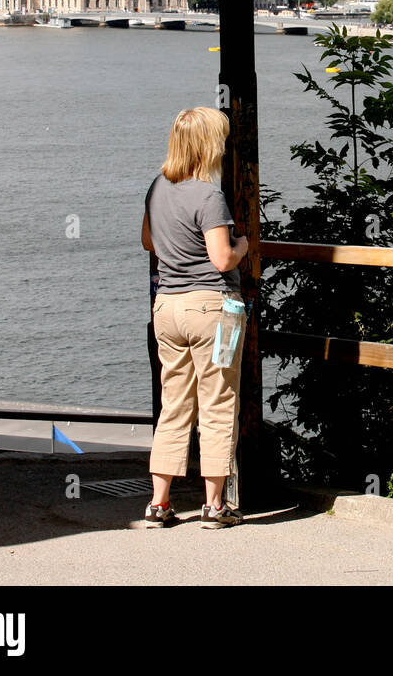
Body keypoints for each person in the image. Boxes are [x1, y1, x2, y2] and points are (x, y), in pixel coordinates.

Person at [140, 107, 249, 528]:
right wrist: (241, 246)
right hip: (213, 310)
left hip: (168, 307)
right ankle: (215, 504)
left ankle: (159, 502)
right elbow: (221, 258)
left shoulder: (158, 187)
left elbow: (148, 240)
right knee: (218, 402)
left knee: (174, 403)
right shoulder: (208, 195)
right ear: (208, 145)